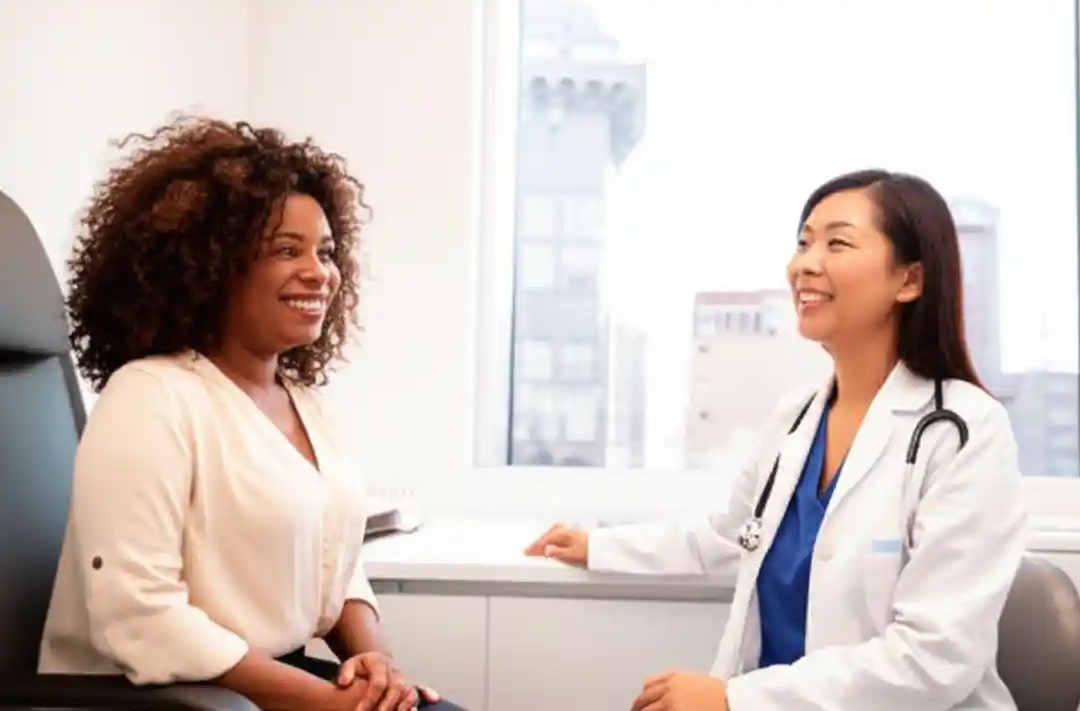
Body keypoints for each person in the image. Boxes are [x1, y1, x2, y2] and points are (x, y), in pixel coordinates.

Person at [526, 170, 1028, 710]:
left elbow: (935, 659)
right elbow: (729, 536)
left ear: (909, 280)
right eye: (803, 241)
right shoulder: (797, 419)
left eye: (837, 242)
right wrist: (597, 545)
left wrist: (734, 699)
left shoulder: (963, 430)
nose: (805, 264)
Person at [40, 116, 465, 711]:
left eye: (326, 251)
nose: (319, 272)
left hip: (265, 686)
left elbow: (334, 564)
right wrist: (327, 704)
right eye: (287, 250)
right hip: (173, 699)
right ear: (210, 265)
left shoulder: (302, 403)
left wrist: (375, 666)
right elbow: (141, 616)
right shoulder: (150, 398)